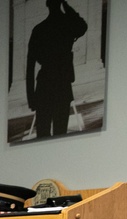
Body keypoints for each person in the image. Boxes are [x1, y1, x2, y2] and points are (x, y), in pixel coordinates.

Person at [26, 0, 88, 138]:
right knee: (60, 135)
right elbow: (82, 26)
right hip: (62, 84)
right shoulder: (67, 24)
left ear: (47, 4)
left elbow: (30, 66)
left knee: (42, 135)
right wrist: (66, 6)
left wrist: (31, 97)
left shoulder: (39, 29)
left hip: (44, 86)